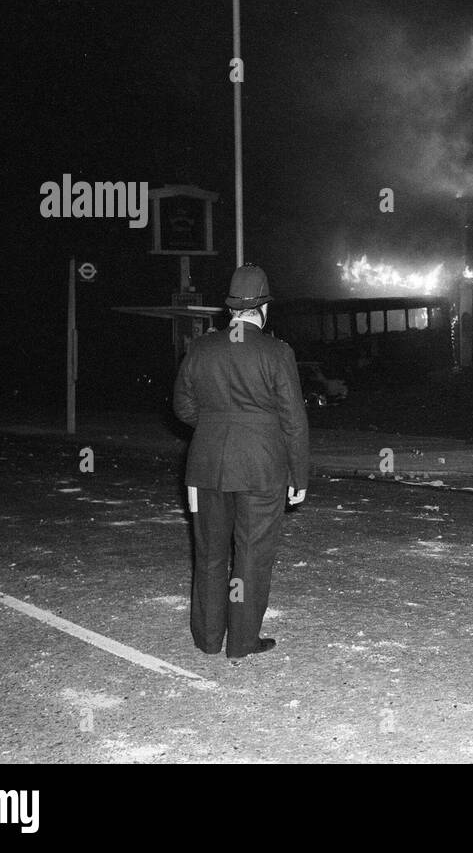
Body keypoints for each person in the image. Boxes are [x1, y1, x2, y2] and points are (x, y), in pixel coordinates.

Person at [173, 264, 310, 659]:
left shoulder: (201, 348)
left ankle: (208, 638)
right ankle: (242, 641)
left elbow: (183, 407)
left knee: (211, 553)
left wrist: (217, 426)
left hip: (206, 466)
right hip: (261, 468)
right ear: (264, 307)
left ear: (230, 308)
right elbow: (293, 420)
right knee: (251, 556)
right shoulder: (277, 352)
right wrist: (298, 475)